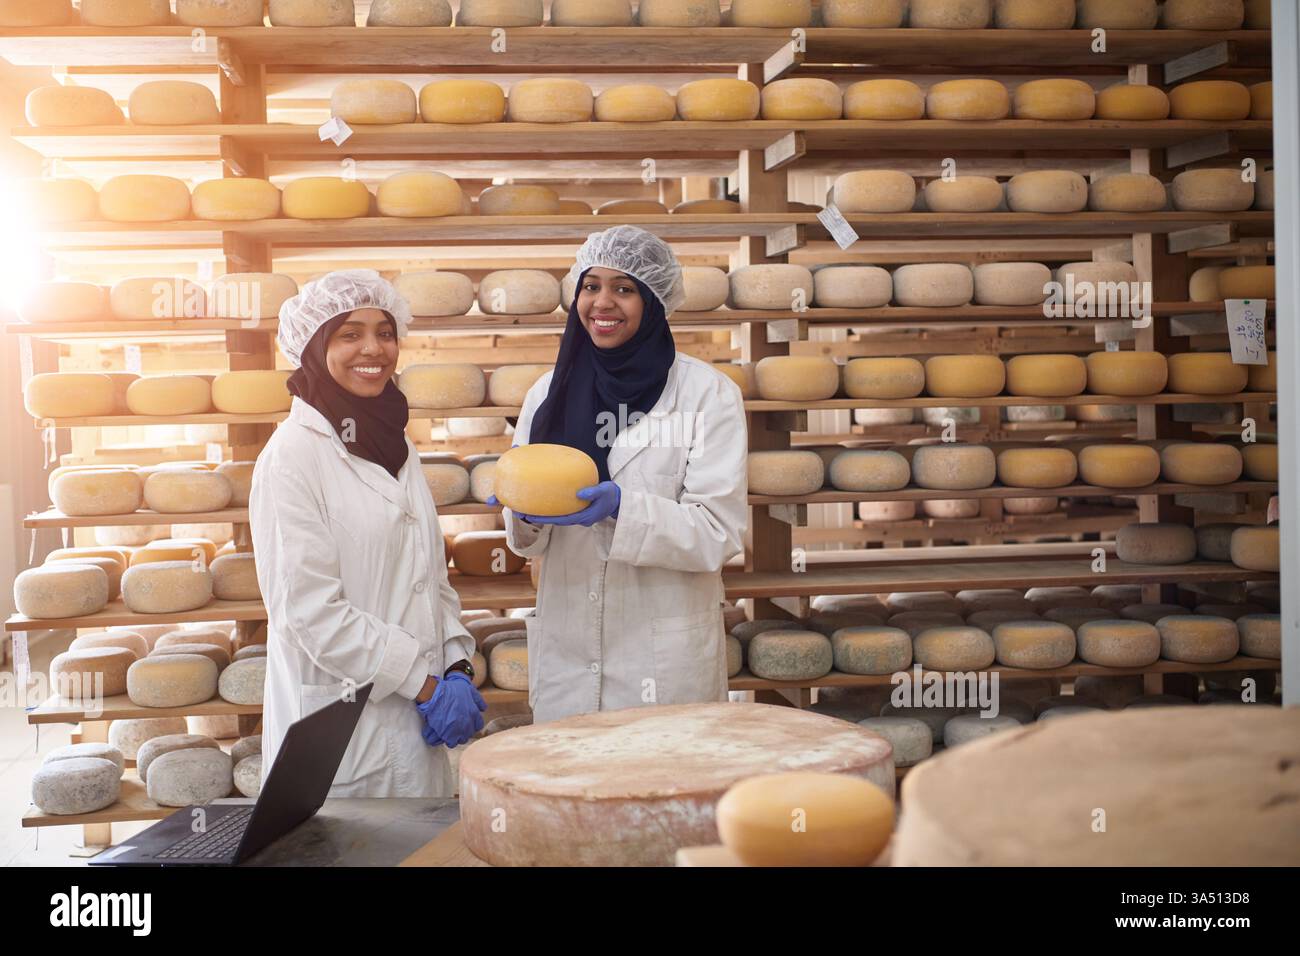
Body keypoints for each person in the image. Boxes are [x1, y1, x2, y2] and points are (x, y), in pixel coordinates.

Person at [489, 225, 749, 724]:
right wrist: (522, 513)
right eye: (591, 286)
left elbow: (720, 532)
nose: (602, 302)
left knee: (662, 793)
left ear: (653, 300)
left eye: (624, 289)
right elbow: (529, 544)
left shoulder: (706, 395)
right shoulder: (548, 393)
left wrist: (622, 511)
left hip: (663, 662)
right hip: (568, 652)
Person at [250, 269, 484, 797]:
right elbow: (308, 613)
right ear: (314, 346)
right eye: (349, 334)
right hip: (339, 739)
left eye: (385, 331)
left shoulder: (397, 447)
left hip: (414, 725)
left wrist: (456, 666)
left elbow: (429, 579)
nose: (373, 348)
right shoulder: (292, 458)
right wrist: (422, 684)